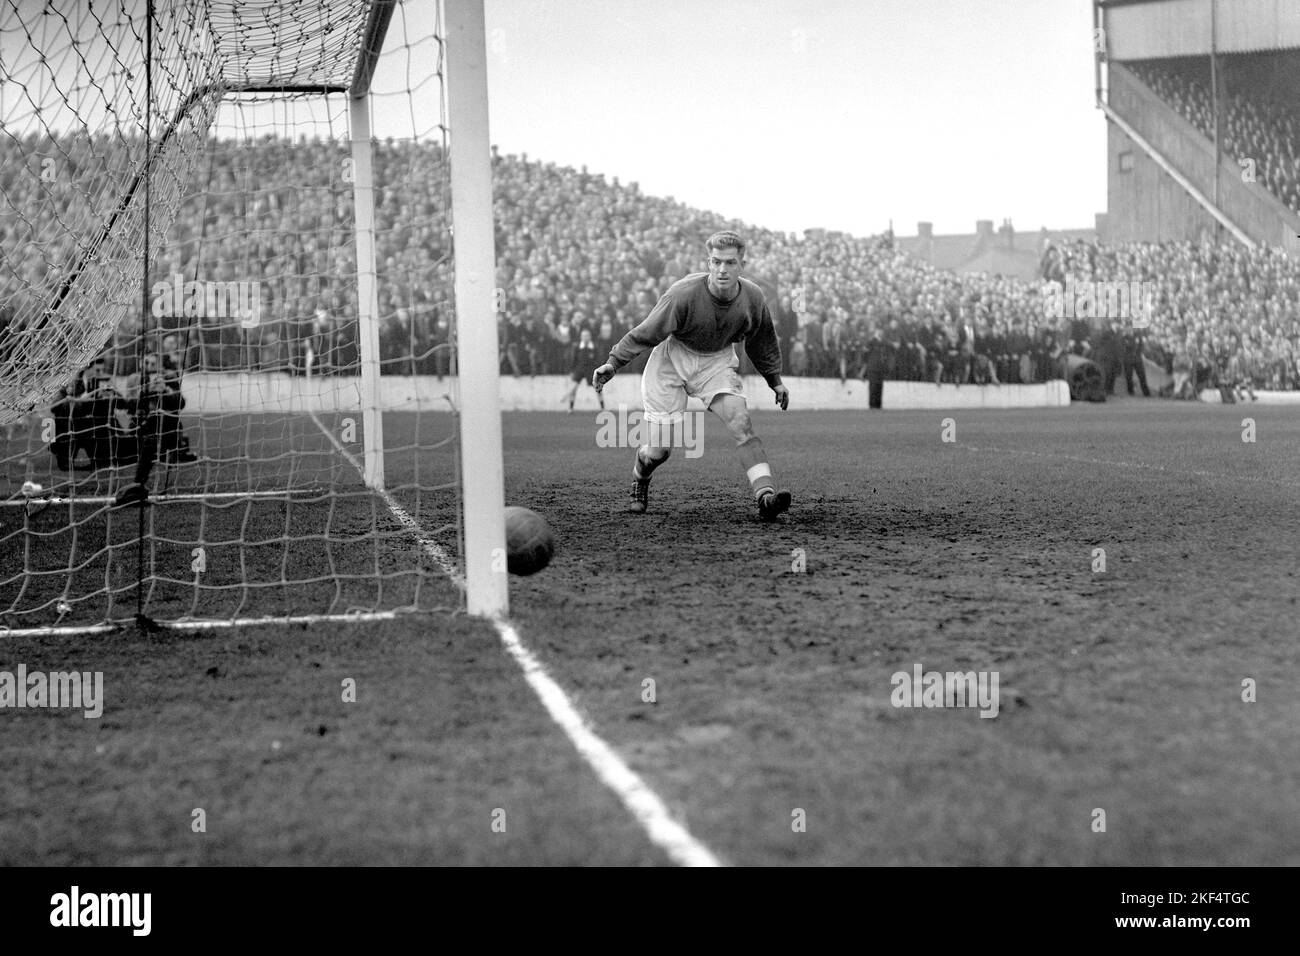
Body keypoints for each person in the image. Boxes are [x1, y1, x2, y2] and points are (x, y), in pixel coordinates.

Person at [592, 231, 792, 520]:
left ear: (742, 265)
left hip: (717, 360)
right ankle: (640, 477)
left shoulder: (753, 297)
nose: (723, 269)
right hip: (671, 361)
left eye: (730, 263)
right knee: (658, 452)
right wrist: (613, 362)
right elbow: (648, 331)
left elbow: (762, 341)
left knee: (741, 422)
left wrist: (775, 381)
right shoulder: (683, 293)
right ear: (708, 263)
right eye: (716, 262)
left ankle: (765, 497)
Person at [562, 327, 605, 413]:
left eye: (587, 335)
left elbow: (599, 360)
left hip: (591, 370)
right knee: (573, 389)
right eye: (584, 336)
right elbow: (573, 360)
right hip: (579, 369)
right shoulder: (577, 347)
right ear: (581, 337)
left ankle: (603, 408)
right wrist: (572, 371)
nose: (585, 337)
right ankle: (570, 408)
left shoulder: (594, 347)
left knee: (598, 389)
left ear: (590, 337)